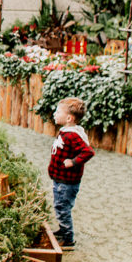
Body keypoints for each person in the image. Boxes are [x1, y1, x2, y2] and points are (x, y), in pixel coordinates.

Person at [48, 97, 95, 248]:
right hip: (61, 179)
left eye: (57, 111)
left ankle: (68, 238)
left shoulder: (73, 135)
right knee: (60, 206)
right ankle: (63, 230)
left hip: (66, 182)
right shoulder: (66, 132)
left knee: (62, 207)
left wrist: (73, 162)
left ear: (69, 118)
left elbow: (88, 152)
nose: (54, 114)